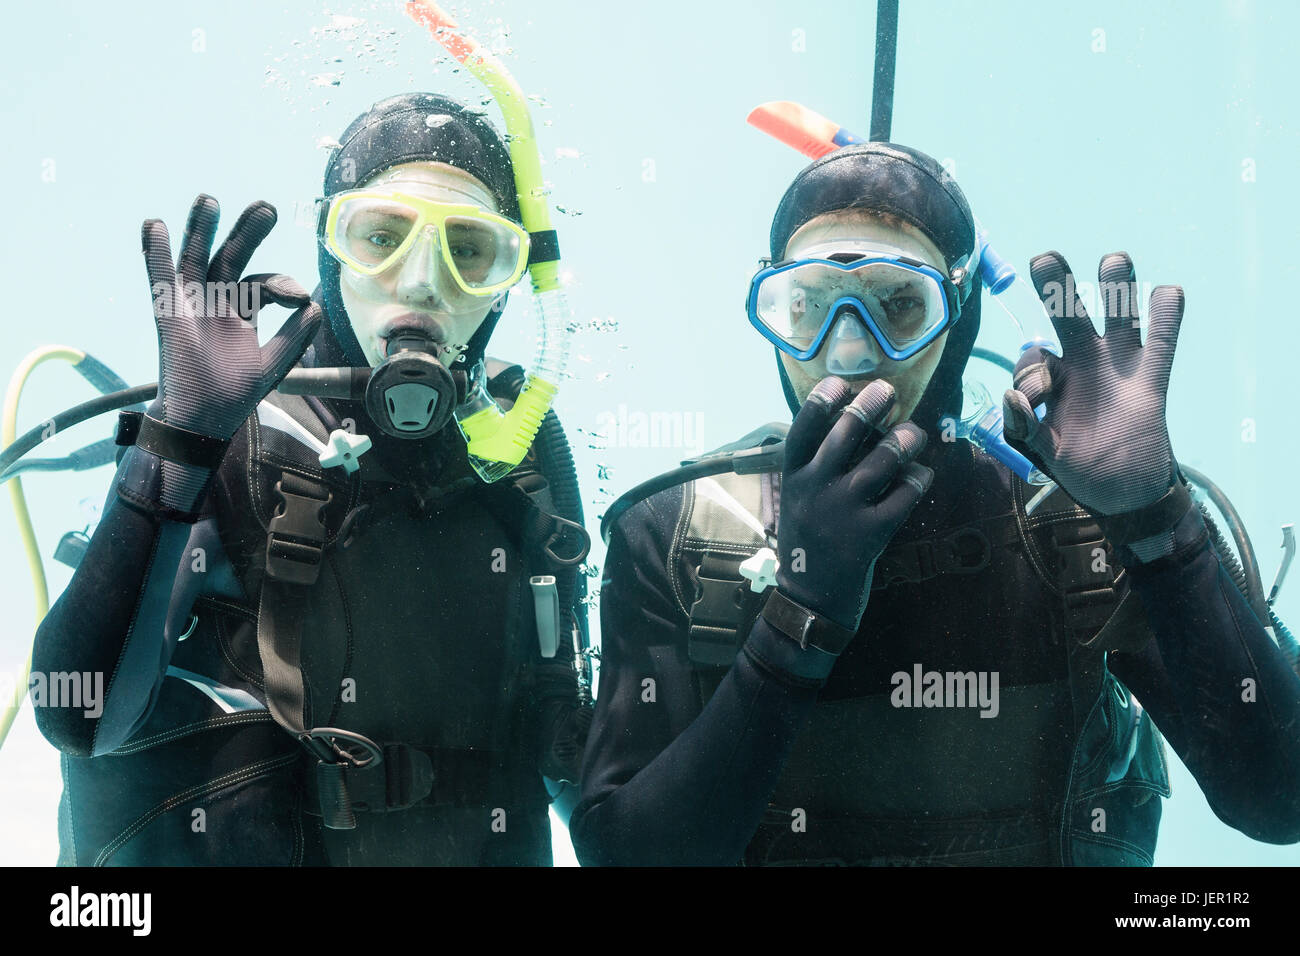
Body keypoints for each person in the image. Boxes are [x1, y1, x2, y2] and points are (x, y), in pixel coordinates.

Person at [571, 141, 1300, 866]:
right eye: (807, 308)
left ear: (961, 316)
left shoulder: (1071, 519)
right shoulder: (673, 537)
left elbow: (1279, 799)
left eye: (898, 305)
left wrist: (1156, 522)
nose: (848, 352)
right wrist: (796, 614)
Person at [30, 92, 592, 866]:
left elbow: (584, 777)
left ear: (507, 281)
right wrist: (176, 444)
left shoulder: (524, 463)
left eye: (469, 251)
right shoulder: (231, 430)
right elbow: (81, 718)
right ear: (332, 248)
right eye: (381, 238)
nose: (422, 283)